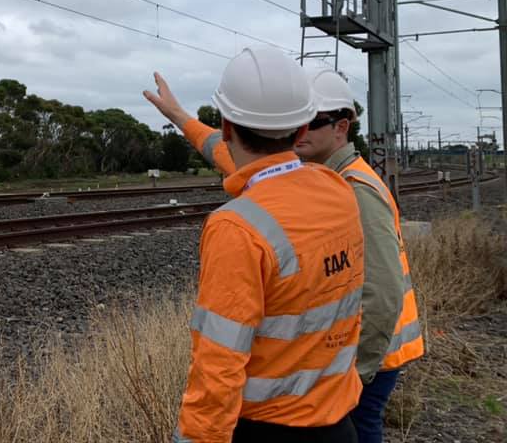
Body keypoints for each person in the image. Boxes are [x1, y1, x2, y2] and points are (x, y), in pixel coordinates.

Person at [176, 67, 424, 443]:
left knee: (367, 425)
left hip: (363, 361)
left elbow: (384, 293)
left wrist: (350, 378)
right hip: (330, 383)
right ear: (299, 129)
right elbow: (247, 164)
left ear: (341, 126)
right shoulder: (328, 185)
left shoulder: (351, 190)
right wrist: (180, 118)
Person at [145, 46, 365, 443]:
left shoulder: (237, 228)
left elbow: (219, 363)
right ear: (300, 131)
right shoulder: (338, 190)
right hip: (340, 424)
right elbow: (257, 168)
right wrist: (180, 118)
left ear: (227, 126)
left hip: (270, 430)